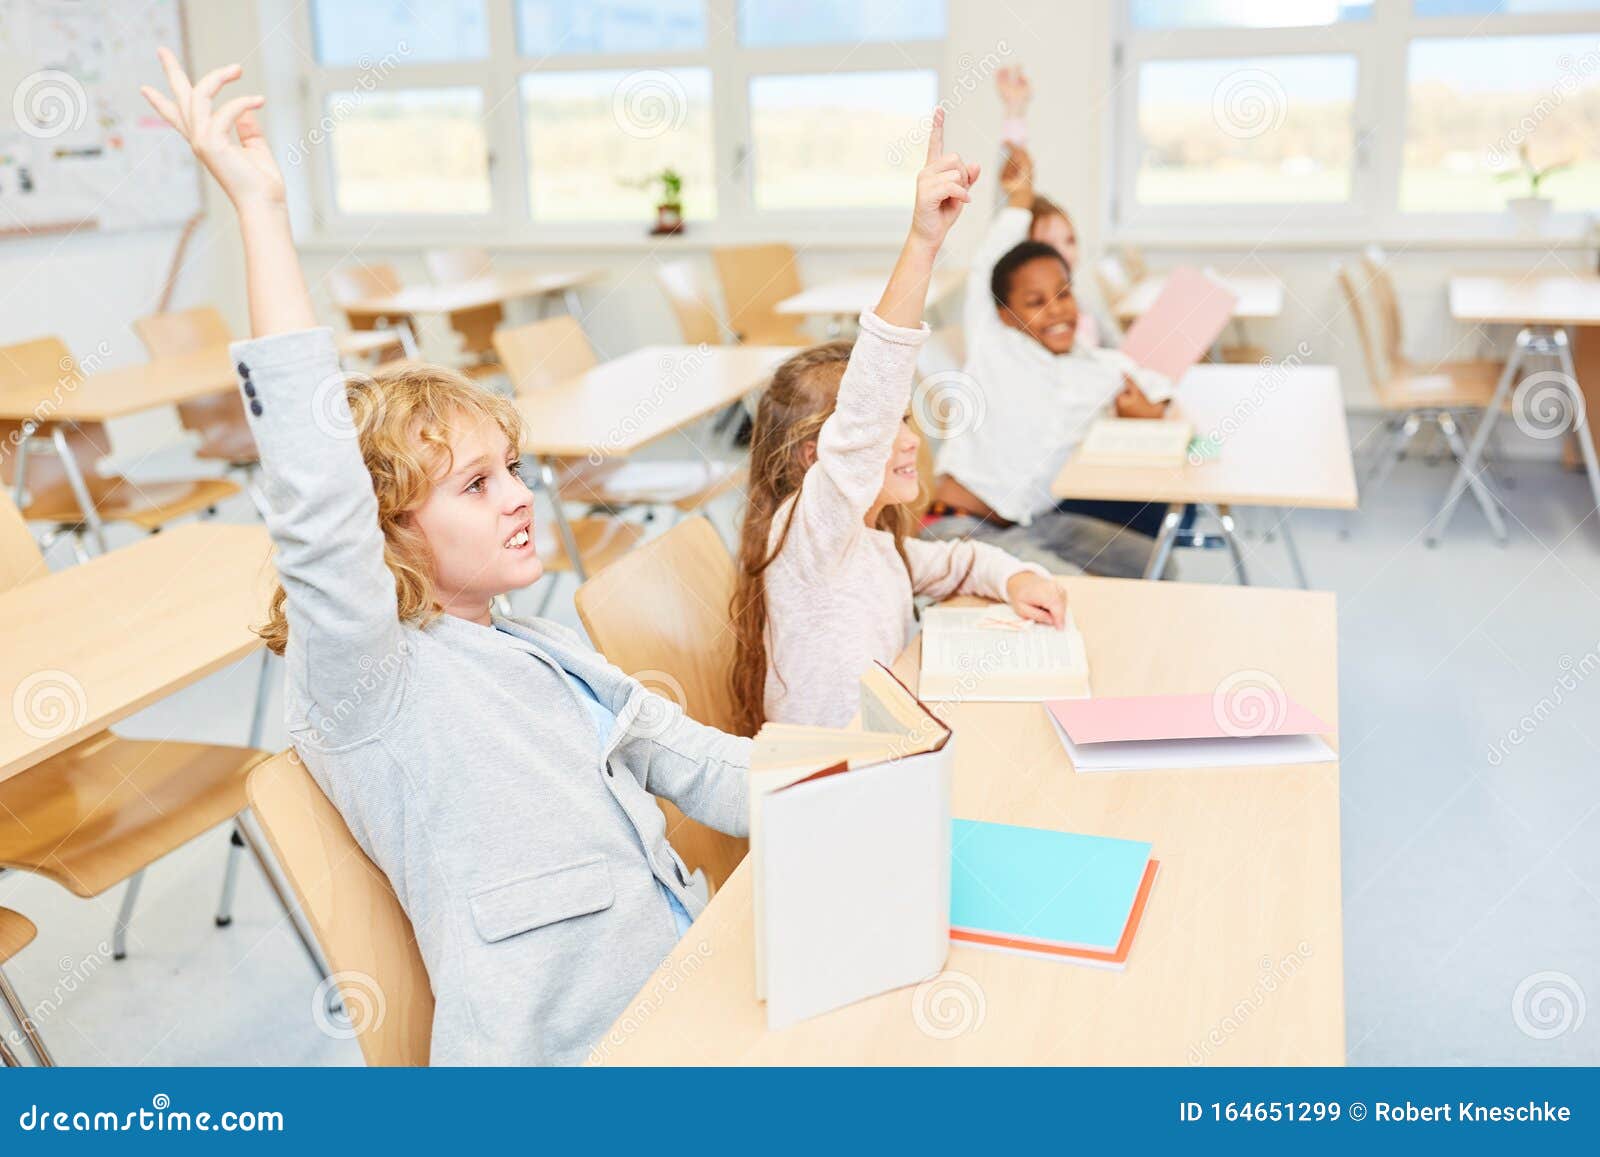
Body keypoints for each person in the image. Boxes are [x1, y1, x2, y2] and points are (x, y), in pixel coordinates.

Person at [141, 50, 748, 1066]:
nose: (520, 495)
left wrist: (851, 783)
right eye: (474, 485)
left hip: (679, 1003)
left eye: (510, 467)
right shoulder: (370, 680)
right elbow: (315, 487)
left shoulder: (537, 642)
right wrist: (260, 211)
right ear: (386, 529)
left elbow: (694, 758)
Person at [729, 109, 1065, 735]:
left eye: (906, 417)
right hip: (837, 789)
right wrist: (922, 245)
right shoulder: (810, 537)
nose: (910, 437)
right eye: (889, 425)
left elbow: (958, 563)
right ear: (817, 459)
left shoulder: (872, 543)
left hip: (889, 763)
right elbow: (865, 412)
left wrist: (1015, 575)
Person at [925, 140, 1176, 578]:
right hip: (961, 528)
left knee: (1157, 566)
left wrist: (1149, 413)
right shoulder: (996, 343)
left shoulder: (1098, 365)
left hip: (1038, 525)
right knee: (1071, 596)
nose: (1056, 309)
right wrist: (1021, 198)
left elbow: (1154, 388)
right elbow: (988, 263)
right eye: (1035, 301)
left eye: (1063, 294)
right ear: (1005, 314)